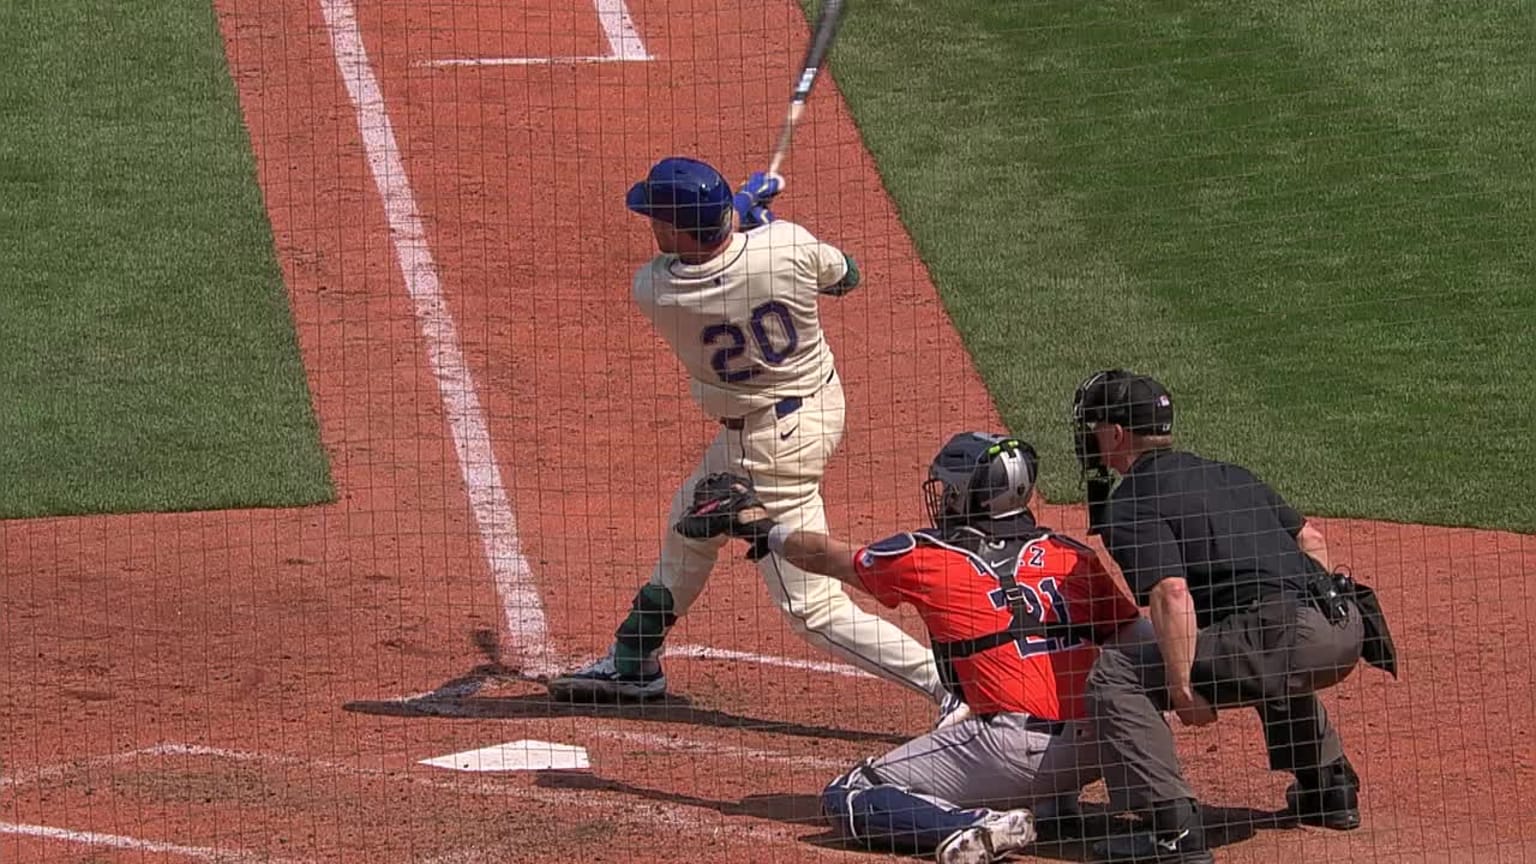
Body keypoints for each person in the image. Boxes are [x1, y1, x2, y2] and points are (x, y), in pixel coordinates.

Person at [548, 156, 947, 713]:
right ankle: (632, 661)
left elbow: (708, 257)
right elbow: (846, 276)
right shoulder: (787, 245)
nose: (651, 227)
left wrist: (741, 207)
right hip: (816, 407)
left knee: (811, 608)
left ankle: (951, 689)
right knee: (692, 520)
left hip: (767, 448)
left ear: (673, 228)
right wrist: (757, 222)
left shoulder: (659, 292)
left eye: (657, 218)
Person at [675, 432, 1147, 864]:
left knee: (850, 793)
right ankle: (1057, 807)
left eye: (948, 489)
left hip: (1013, 753)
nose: (942, 498)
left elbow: (826, 557)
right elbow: (1139, 642)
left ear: (967, 495)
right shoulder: (1073, 557)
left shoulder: (927, 557)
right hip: (1106, 745)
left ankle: (975, 825)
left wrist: (755, 523)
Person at [1069, 369, 1397, 863]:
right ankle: (1327, 788)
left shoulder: (1131, 502)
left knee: (1117, 674)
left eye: (1092, 427)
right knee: (1258, 645)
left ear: (1115, 434)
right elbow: (1311, 540)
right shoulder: (1230, 473)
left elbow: (1172, 594)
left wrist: (1182, 689)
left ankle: (1172, 831)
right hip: (1345, 626)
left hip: (1287, 636)